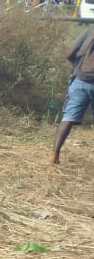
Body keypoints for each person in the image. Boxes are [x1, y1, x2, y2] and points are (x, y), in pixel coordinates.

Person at [52, 26, 94, 165]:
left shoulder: (90, 30)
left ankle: (54, 154)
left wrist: (77, 65)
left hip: (81, 78)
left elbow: (70, 53)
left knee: (68, 118)